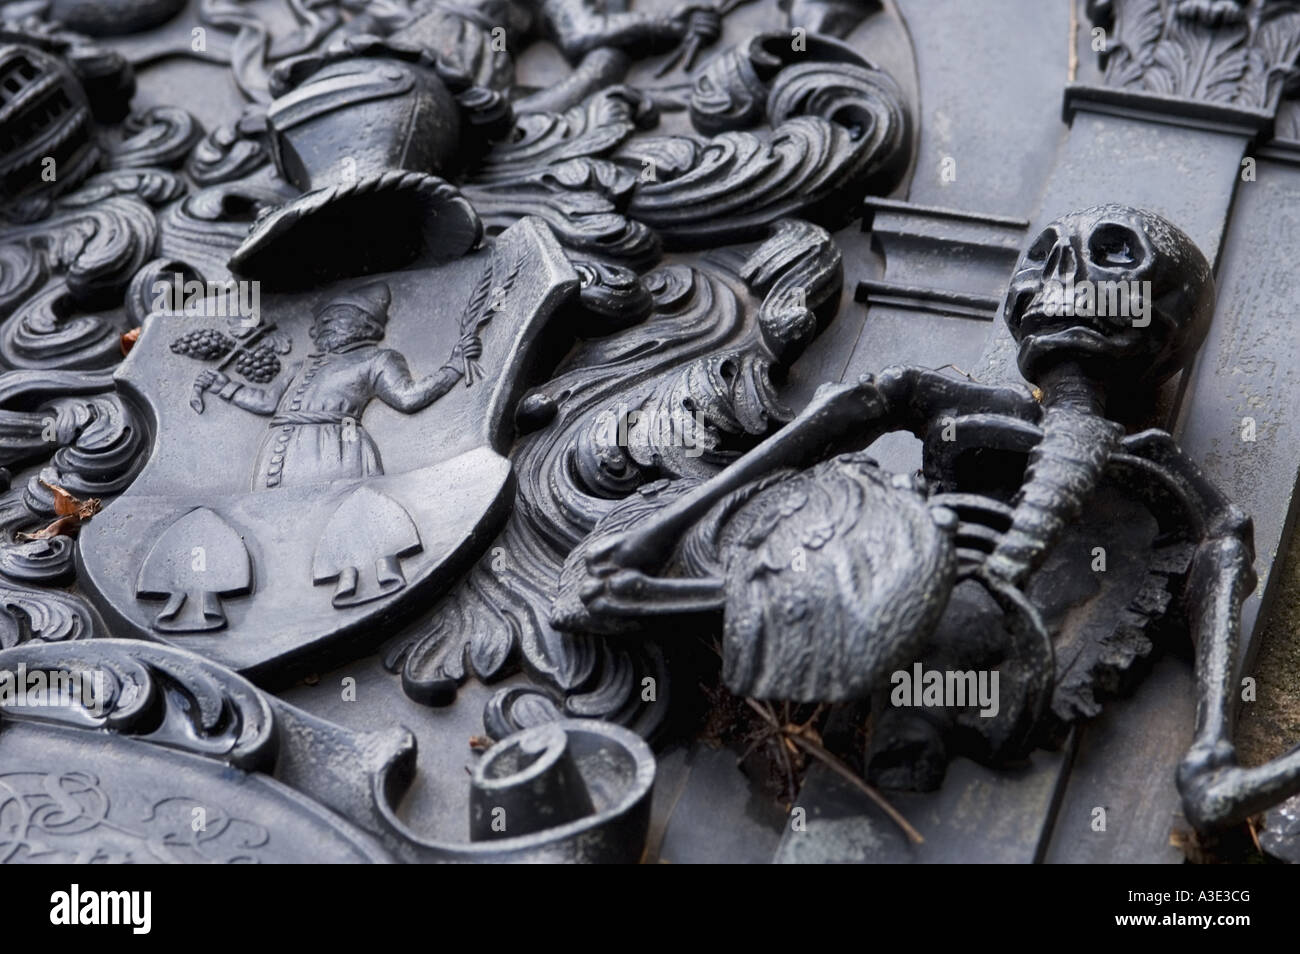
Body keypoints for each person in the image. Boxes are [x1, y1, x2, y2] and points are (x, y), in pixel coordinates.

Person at [196, 281, 480, 490]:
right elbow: (267, 402)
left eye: (334, 319)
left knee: (334, 511)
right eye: (322, 322)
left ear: (364, 324)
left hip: (334, 448)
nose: (322, 327)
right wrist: (224, 386)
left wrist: (453, 366)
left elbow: (407, 397)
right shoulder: (302, 365)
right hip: (280, 450)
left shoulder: (377, 358)